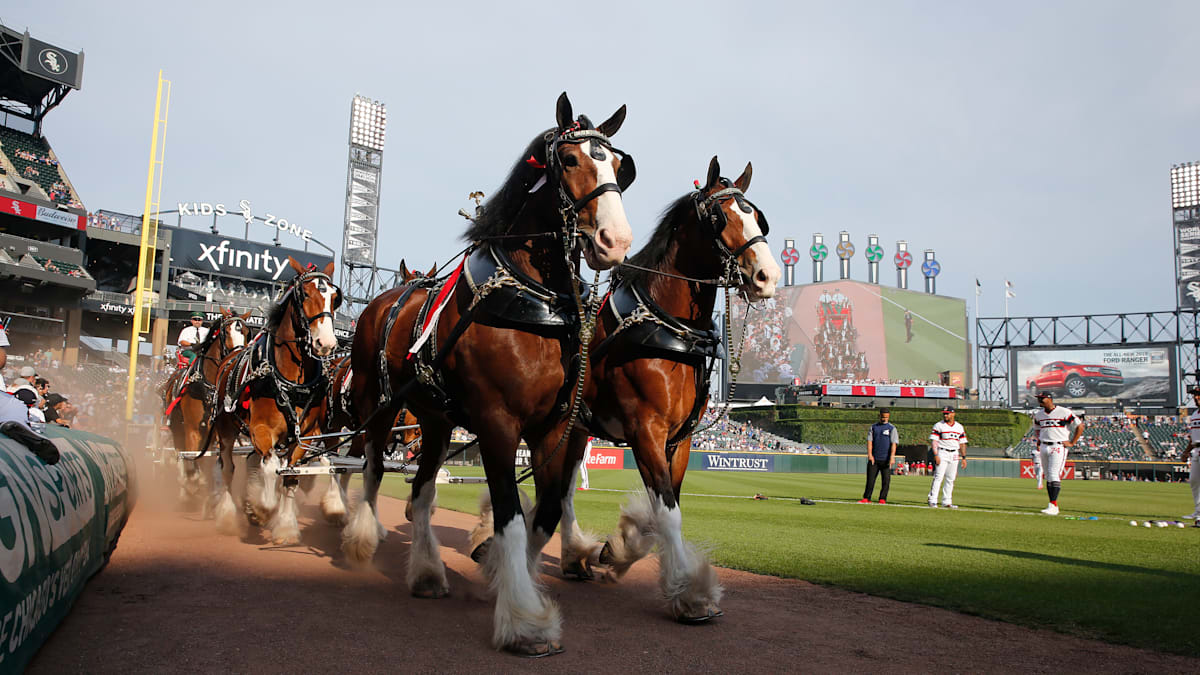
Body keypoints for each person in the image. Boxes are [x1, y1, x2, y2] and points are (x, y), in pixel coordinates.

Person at [1031, 391, 1083, 515]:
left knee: (1054, 474)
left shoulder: (1064, 412)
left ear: (1050, 399)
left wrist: (1072, 442)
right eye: (1039, 398)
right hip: (1044, 445)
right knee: (1048, 476)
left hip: (1058, 445)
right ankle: (1051, 504)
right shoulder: (1039, 414)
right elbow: (1037, 429)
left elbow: (1080, 426)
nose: (1040, 400)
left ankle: (1053, 505)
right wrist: (1039, 439)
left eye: (1042, 398)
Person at [927, 406, 968, 508]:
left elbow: (962, 443)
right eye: (944, 413)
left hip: (954, 453)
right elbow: (934, 441)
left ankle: (947, 501)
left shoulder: (959, 427)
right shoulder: (939, 425)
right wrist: (936, 454)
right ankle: (933, 499)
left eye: (947, 413)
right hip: (942, 452)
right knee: (939, 477)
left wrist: (963, 458)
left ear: (953, 414)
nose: (945, 415)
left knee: (951, 478)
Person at [859, 409, 898, 504]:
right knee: (870, 480)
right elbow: (869, 441)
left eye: (886, 417)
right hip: (874, 459)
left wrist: (892, 457)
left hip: (886, 460)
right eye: (883, 417)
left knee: (886, 481)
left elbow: (894, 443)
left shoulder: (892, 428)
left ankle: (882, 498)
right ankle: (867, 498)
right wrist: (870, 455)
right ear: (879, 416)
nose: (884, 419)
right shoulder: (873, 427)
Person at [1183, 387, 1200, 521]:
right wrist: (1186, 452)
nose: (1196, 398)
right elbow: (1192, 437)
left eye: (1198, 395)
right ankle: (1198, 511)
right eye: (1195, 395)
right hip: (1196, 450)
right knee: (1194, 481)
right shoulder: (1194, 414)